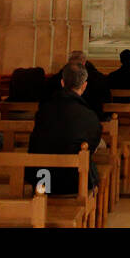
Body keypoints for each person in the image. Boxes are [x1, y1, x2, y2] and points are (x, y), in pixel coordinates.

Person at [27, 61, 101, 194]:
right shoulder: (89, 115)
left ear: (62, 83)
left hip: (43, 181)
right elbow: (92, 148)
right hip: (74, 183)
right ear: (84, 86)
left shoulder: (44, 110)